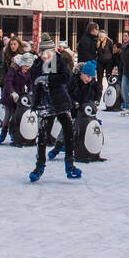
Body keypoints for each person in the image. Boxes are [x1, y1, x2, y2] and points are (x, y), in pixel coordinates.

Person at [29, 35, 80, 182]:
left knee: (68, 131)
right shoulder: (37, 64)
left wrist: (48, 79)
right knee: (43, 136)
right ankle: (39, 166)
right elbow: (33, 78)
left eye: (47, 53)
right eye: (42, 53)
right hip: (45, 103)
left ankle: (70, 164)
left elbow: (66, 77)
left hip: (60, 101)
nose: (44, 56)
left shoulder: (58, 61)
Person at [0, 45, 36, 146]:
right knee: (7, 117)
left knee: (16, 117)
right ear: (21, 64)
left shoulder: (28, 71)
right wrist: (12, 93)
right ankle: (3, 132)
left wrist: (30, 91)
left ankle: (13, 133)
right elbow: (8, 82)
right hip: (9, 96)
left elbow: (30, 82)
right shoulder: (13, 69)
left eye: (29, 66)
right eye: (25, 66)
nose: (27, 68)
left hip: (20, 96)